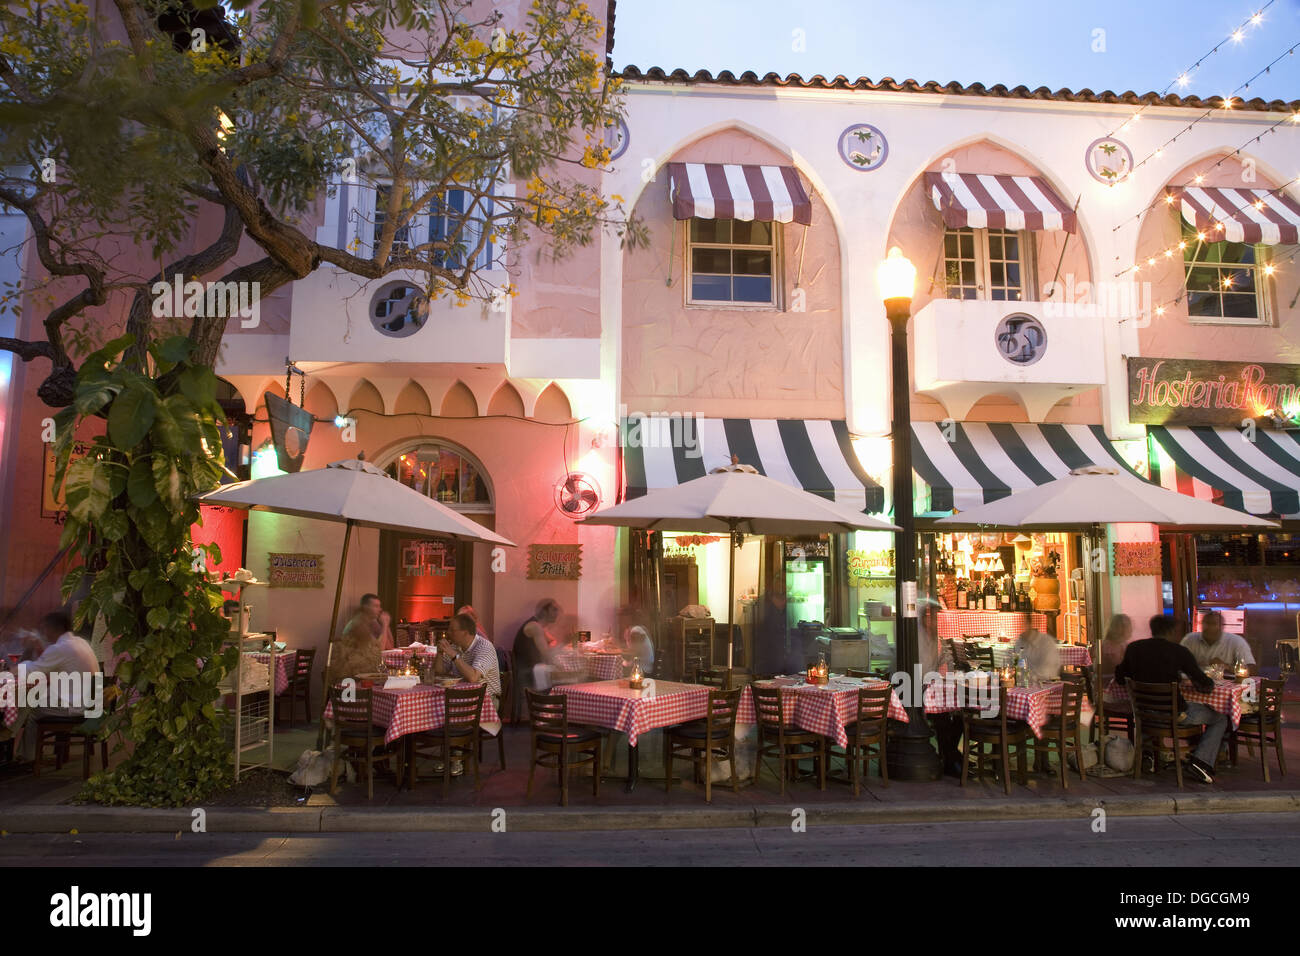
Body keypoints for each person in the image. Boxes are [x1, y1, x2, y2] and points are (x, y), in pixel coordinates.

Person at [1115, 614, 1225, 784]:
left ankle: (1148, 754)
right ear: (1172, 631)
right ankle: (1200, 762)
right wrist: (1204, 680)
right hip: (1174, 715)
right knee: (1220, 718)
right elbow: (1204, 684)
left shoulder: (1134, 648)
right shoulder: (1179, 652)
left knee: (1151, 706)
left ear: (1152, 630)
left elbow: (1121, 678)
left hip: (1144, 714)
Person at [18, 611, 101, 762]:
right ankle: (25, 752)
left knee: (29, 707)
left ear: (52, 628)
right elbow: (51, 663)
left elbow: (32, 670)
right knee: (31, 699)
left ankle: (27, 756)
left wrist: (14, 668)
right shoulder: (80, 642)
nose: (43, 632)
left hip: (74, 707)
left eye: (44, 628)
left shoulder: (60, 648)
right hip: (89, 705)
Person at [437, 612, 502, 711]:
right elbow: (439, 673)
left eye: (452, 630)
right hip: (460, 697)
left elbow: (473, 677)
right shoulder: (455, 646)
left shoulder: (484, 647)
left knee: (441, 711)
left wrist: (454, 656)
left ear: (465, 633)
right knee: (434, 709)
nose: (448, 632)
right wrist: (440, 653)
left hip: (485, 701)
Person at [325, 594, 384, 687]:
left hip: (355, 676)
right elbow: (375, 650)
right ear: (366, 607)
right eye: (376, 606)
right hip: (349, 679)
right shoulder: (358, 624)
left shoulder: (369, 622)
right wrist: (386, 624)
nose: (380, 609)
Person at [1181, 611, 1255, 676]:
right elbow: (1177, 662)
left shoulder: (1236, 641)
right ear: (1201, 624)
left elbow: (1252, 670)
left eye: (1213, 624)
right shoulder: (1190, 639)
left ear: (1221, 626)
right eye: (1206, 623)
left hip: (1225, 684)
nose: (1209, 627)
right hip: (1194, 682)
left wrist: (1225, 666)